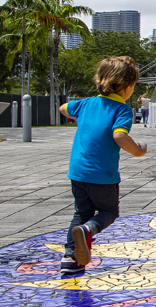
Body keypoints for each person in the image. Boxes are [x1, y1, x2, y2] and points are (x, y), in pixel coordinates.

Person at [57, 56, 148, 274]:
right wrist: (137, 150)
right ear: (127, 87)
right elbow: (119, 136)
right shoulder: (122, 110)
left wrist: (80, 118)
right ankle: (88, 230)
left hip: (77, 172)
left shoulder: (86, 103)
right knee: (109, 211)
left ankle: (71, 258)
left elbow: (63, 108)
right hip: (102, 174)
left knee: (81, 211)